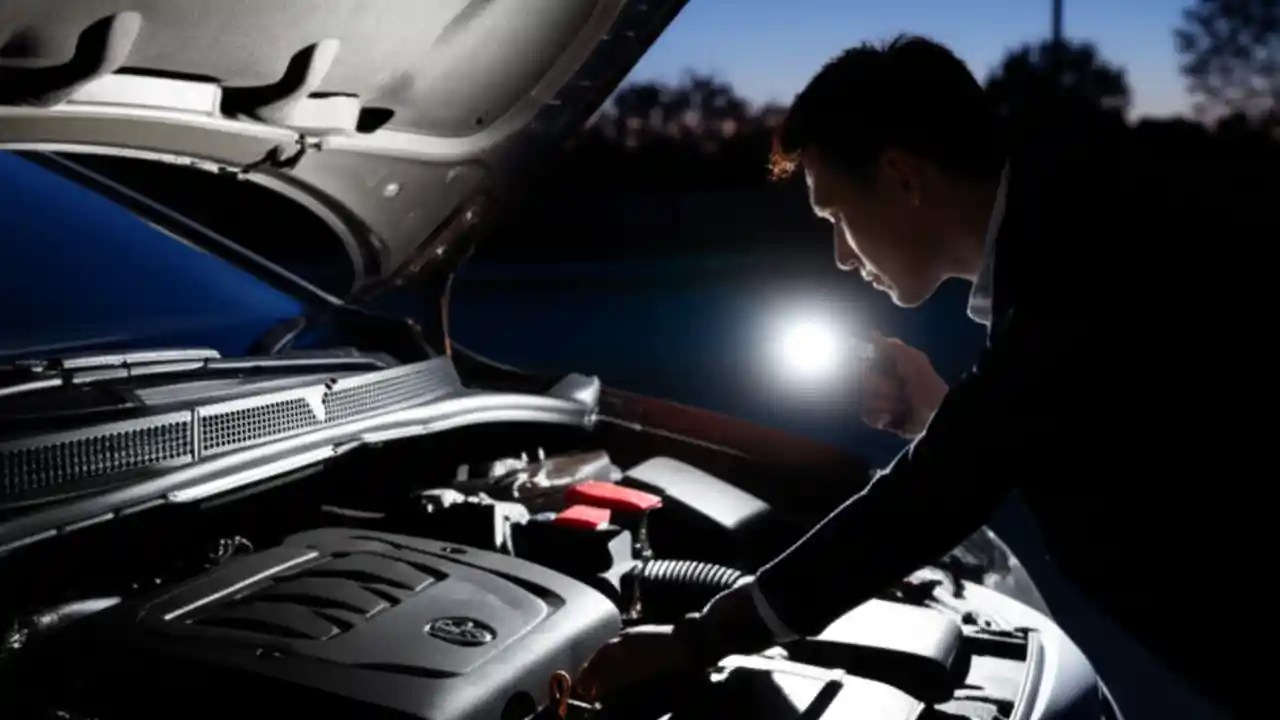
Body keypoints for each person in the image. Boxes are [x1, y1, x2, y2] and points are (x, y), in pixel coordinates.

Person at [579, 35, 1264, 714]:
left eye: (836, 216)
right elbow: (1077, 443)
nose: (842, 256)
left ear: (903, 177)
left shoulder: (1082, 260)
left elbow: (929, 497)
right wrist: (947, 417)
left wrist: (701, 637)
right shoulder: (1073, 223)